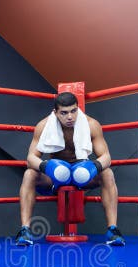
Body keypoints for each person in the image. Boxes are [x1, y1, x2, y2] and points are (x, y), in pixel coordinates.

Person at [14, 92, 124, 246]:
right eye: (64, 113)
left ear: (78, 109)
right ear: (55, 113)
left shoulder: (91, 124)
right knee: (29, 174)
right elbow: (30, 158)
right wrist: (47, 167)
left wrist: (93, 167)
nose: (70, 117)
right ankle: (24, 230)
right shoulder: (44, 126)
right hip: (55, 175)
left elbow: (106, 157)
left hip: (83, 174)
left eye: (73, 111)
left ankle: (113, 230)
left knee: (107, 173)